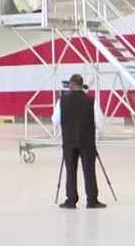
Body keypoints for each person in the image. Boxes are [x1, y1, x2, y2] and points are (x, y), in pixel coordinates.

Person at [51, 74, 106, 209]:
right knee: (89, 171)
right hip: (87, 141)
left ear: (70, 84)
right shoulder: (91, 100)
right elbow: (100, 123)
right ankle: (92, 200)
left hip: (69, 142)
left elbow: (55, 120)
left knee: (70, 171)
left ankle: (71, 200)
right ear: (82, 85)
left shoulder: (62, 100)